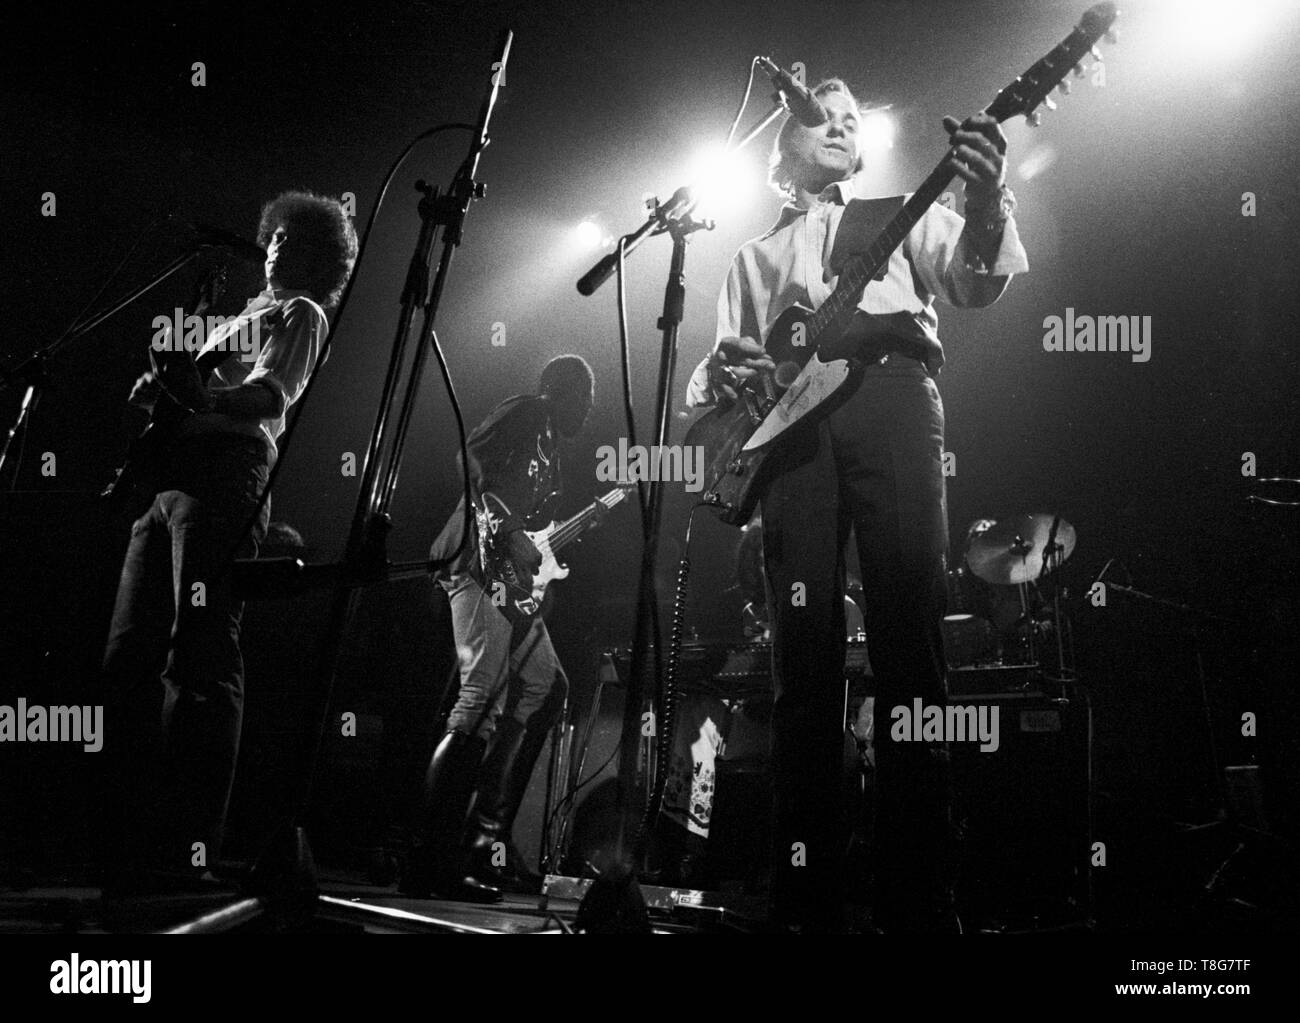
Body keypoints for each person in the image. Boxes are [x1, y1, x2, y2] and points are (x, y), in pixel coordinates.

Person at [685, 78, 1028, 931]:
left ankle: (920, 897)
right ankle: (803, 897)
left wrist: (984, 198)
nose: (840, 124)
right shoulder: (749, 259)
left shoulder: (898, 212)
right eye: (823, 115)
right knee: (803, 660)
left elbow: (977, 278)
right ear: (784, 146)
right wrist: (723, 376)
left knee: (910, 640)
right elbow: (712, 379)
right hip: (791, 436)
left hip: (893, 397)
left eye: (852, 118)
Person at [100, 190, 357, 891]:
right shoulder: (244, 315)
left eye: (287, 241)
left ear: (314, 255)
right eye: (270, 238)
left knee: (203, 659)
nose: (270, 246)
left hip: (227, 472)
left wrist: (193, 398)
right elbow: (178, 392)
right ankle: (130, 838)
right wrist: (159, 388)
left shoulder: (300, 312)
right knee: (128, 656)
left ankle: (189, 851)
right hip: (173, 478)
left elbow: (270, 397)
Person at [403, 355, 595, 902]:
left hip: (504, 578)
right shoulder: (529, 411)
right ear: (561, 389)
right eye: (586, 393)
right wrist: (501, 526)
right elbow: (469, 457)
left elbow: (533, 530)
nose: (591, 406)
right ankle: (429, 860)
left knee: (545, 684)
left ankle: (485, 841)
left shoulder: (553, 453)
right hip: (473, 562)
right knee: (479, 698)